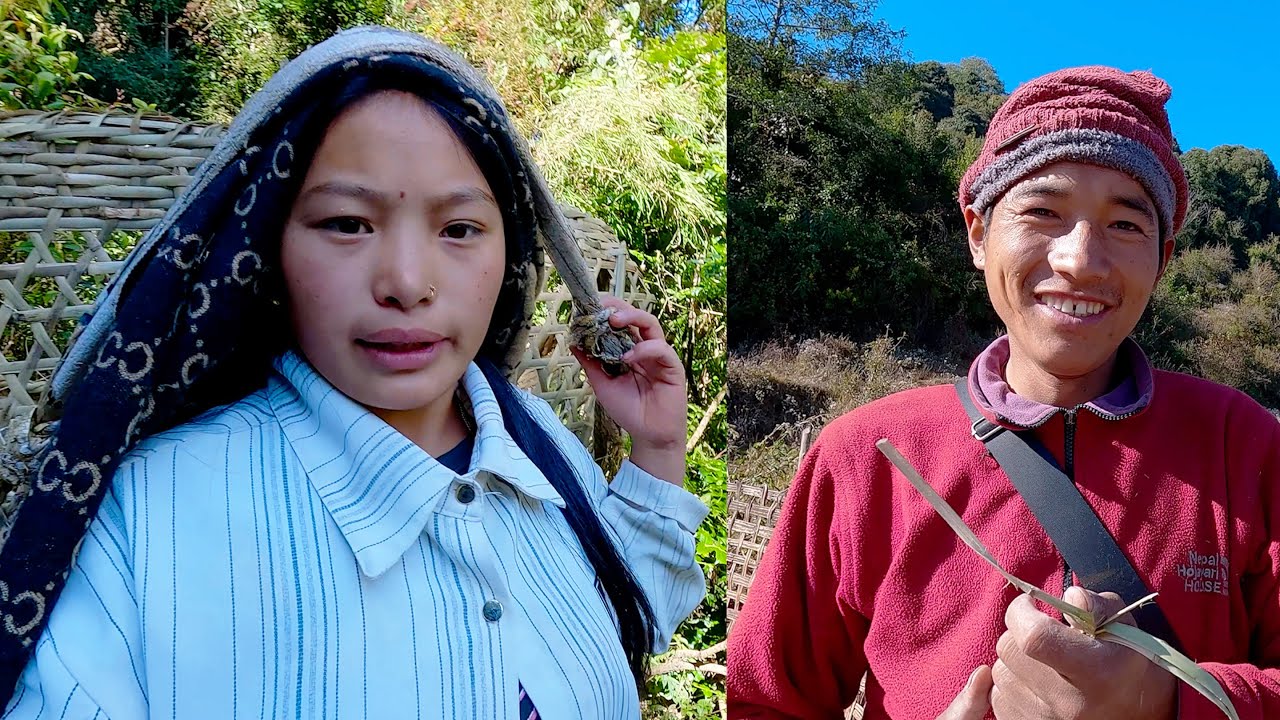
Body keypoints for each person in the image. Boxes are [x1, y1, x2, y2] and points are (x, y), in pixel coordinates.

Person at [0, 25, 708, 719]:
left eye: (459, 229)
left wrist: (657, 449)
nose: (405, 281)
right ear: (268, 245)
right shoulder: (146, 517)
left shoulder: (539, 447)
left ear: (509, 252)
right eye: (346, 224)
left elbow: (620, 625)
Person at [727, 66, 1280, 719]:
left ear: (1161, 259)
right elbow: (757, 700)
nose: (1081, 259)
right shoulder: (868, 456)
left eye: (1126, 224)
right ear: (979, 234)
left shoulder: (1243, 445)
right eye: (1043, 211)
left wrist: (1166, 702)